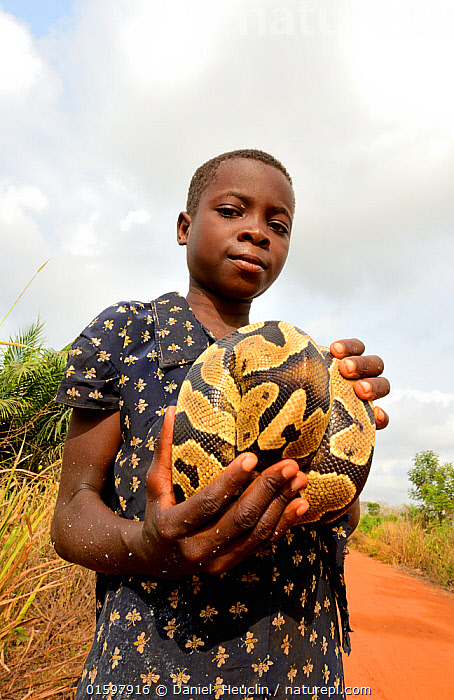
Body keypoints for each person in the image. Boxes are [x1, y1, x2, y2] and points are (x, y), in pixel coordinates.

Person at [52, 149, 390, 700]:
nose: (257, 233)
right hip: (153, 664)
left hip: (302, 663)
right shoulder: (129, 334)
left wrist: (354, 430)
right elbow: (71, 512)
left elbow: (334, 517)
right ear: (185, 228)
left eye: (277, 226)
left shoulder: (313, 365)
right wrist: (145, 545)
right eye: (233, 211)